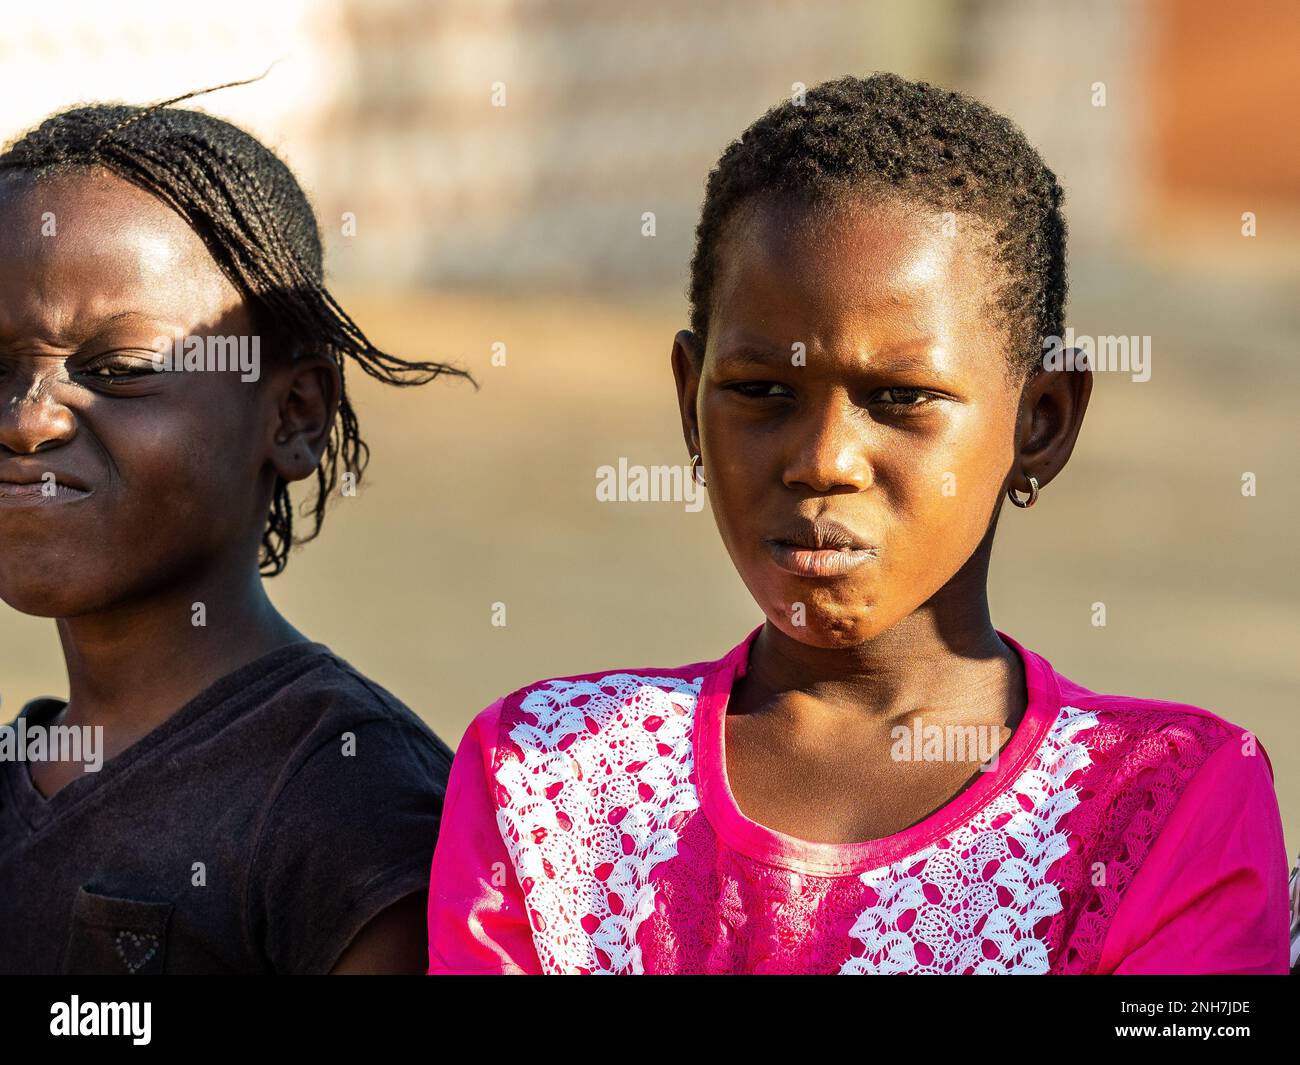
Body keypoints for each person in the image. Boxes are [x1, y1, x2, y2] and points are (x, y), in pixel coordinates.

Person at [424, 73, 1290, 974]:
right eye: (762, 391)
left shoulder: (1168, 803)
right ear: (690, 403)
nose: (824, 459)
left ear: (1042, 419)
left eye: (901, 397)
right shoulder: (547, 777)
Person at [0, 86, 469, 973]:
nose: (29, 420)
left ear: (293, 414)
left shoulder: (352, 799)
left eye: (120, 368)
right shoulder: (20, 771)